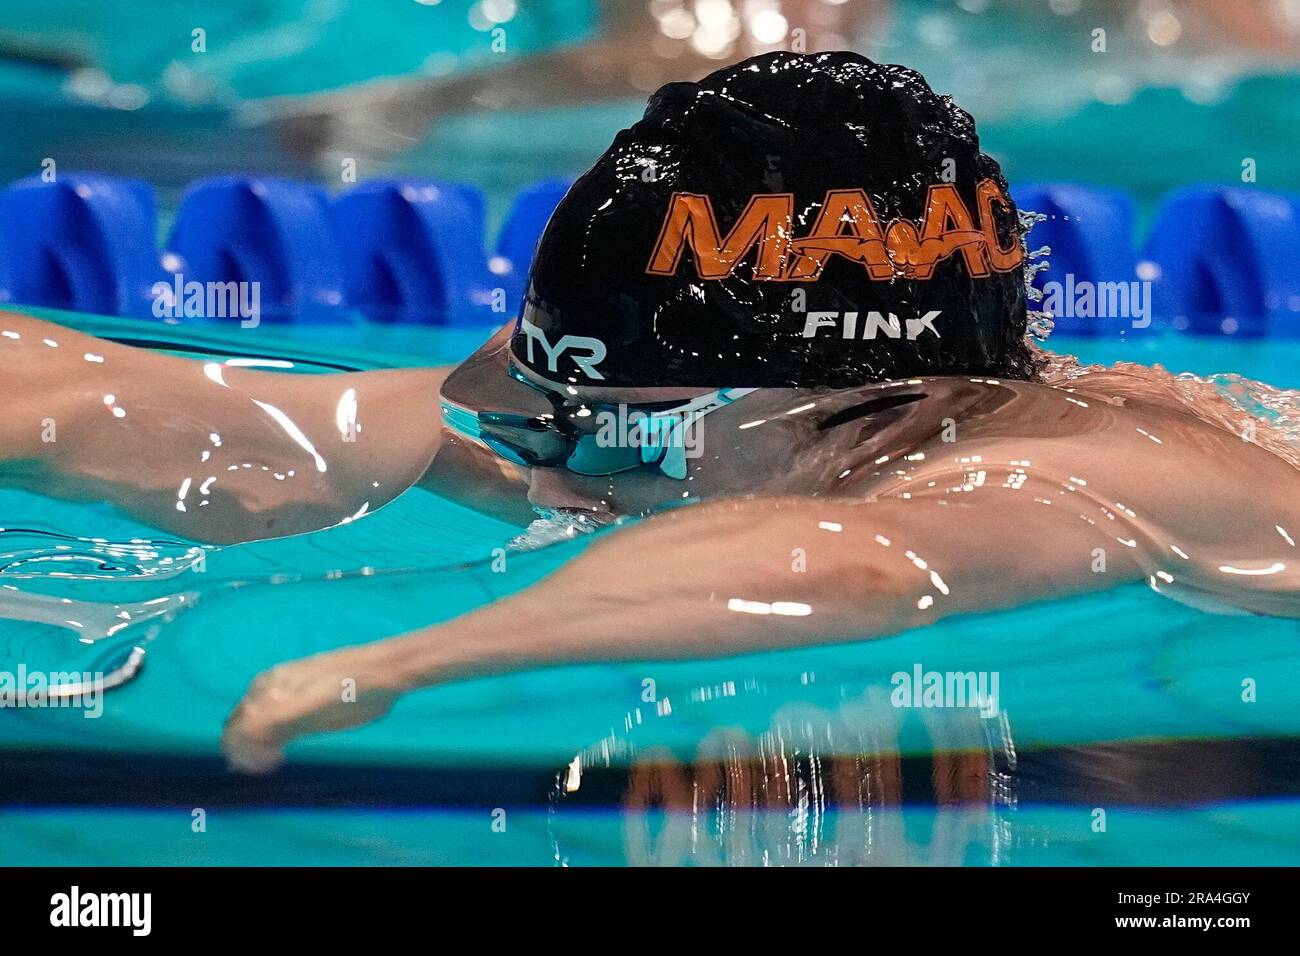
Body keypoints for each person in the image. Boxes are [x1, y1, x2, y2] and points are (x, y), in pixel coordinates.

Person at [2, 53, 1297, 774]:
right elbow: (282, 417)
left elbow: (856, 567)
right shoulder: (892, 401)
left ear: (794, 400)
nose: (568, 469)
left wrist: (397, 660)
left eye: (616, 428)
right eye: (557, 404)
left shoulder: (1029, 488)